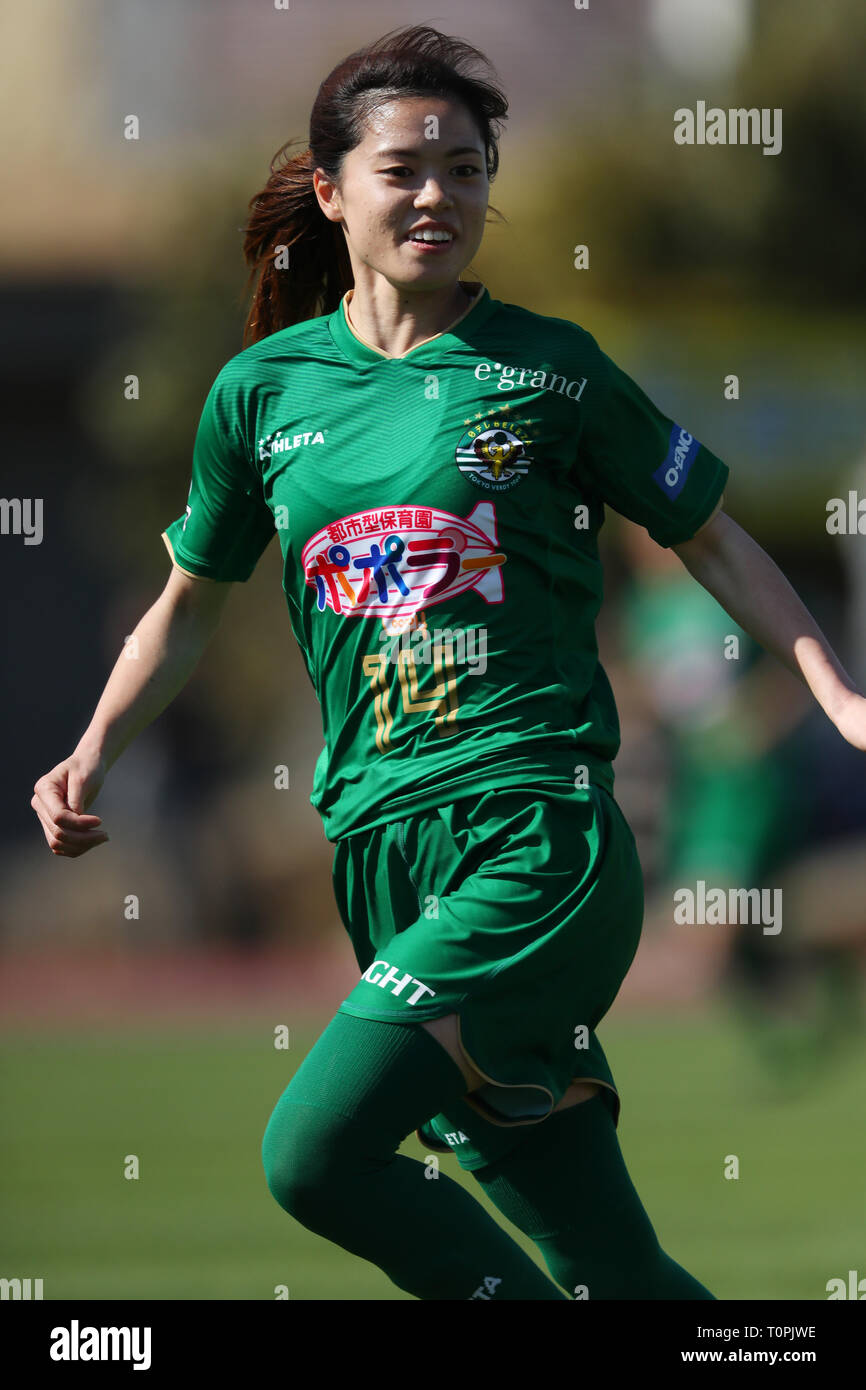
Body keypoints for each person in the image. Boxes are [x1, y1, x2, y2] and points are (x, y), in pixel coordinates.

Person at [31, 24, 866, 1301]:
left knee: (313, 1156)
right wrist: (90, 752)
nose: (441, 195)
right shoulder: (258, 395)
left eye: (468, 170)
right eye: (406, 168)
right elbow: (184, 604)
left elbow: (713, 541)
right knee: (609, 1264)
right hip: (378, 849)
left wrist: (831, 688)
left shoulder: (551, 369)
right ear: (327, 191)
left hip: (534, 836)